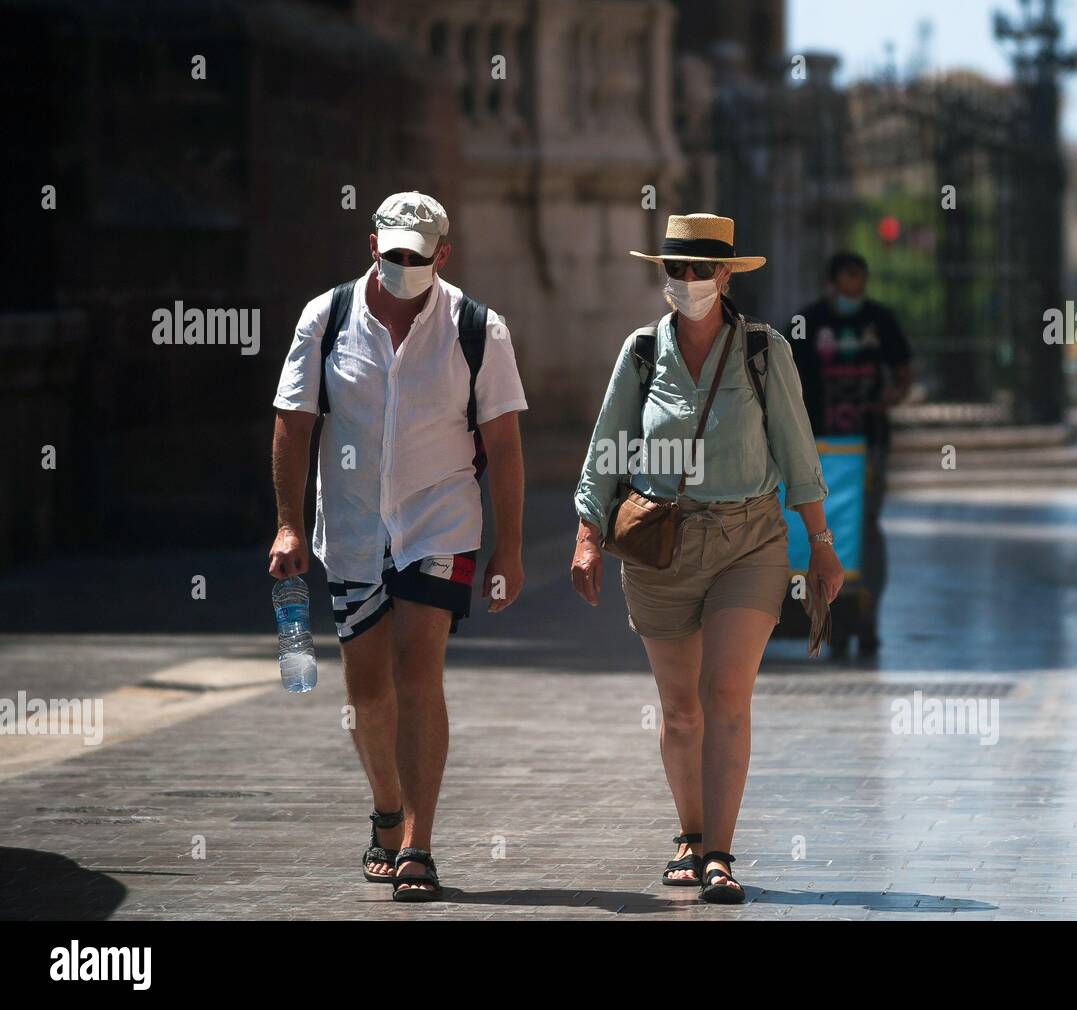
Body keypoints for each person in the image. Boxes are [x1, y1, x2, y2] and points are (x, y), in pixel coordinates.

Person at [571, 214, 845, 904]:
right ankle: (689, 838)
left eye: (701, 270)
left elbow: (796, 449)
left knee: (725, 694)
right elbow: (607, 449)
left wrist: (821, 543)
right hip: (660, 545)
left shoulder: (762, 350)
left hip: (749, 541)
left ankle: (720, 853)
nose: (687, 281)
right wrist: (585, 535)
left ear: (727, 275)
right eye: (676, 269)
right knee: (680, 708)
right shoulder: (640, 353)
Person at [268, 192, 527, 901]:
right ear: (371, 246)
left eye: (418, 255)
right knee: (368, 688)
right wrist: (289, 524)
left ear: (443, 255)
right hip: (352, 529)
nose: (402, 265)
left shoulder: (478, 328)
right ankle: (386, 806)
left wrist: (509, 550)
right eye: (392, 253)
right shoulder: (327, 319)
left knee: (419, 673)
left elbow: (503, 445)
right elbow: (294, 421)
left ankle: (417, 841)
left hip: (441, 522)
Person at [789, 251, 911, 655]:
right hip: (821, 446)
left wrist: (890, 397)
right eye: (848, 276)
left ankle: (868, 617)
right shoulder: (808, 322)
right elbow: (782, 374)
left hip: (867, 444)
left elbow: (903, 369)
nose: (854, 285)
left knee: (866, 527)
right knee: (826, 530)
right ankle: (834, 621)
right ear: (833, 280)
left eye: (861, 276)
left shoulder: (880, 320)